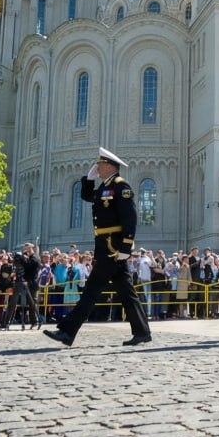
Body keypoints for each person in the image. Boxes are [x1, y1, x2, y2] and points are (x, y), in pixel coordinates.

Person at [45, 148, 152, 346]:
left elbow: (130, 218)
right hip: (106, 247)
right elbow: (88, 197)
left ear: (110, 165)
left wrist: (126, 247)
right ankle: (142, 332)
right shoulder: (105, 187)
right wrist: (88, 178)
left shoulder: (121, 186)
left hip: (113, 247)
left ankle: (67, 332)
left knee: (91, 290)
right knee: (127, 293)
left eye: (100, 164)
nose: (97, 167)